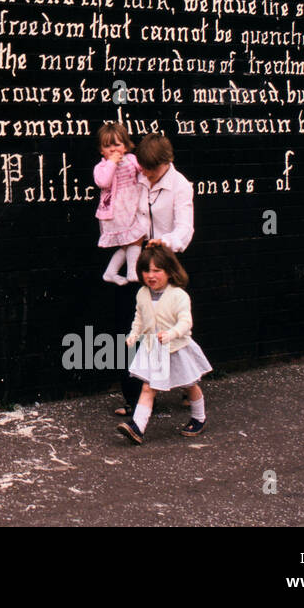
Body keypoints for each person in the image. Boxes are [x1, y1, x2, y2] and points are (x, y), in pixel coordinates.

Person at [111, 132, 194, 417]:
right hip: (140, 263)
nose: (144, 173)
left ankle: (189, 387)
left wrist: (166, 242)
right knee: (137, 326)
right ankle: (136, 398)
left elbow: (186, 228)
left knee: (171, 329)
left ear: (166, 162)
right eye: (142, 167)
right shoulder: (140, 178)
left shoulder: (180, 186)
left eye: (150, 169)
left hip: (167, 263)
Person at [115, 244, 212, 444]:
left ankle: (199, 417)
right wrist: (134, 334)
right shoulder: (142, 293)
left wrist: (171, 333)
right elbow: (139, 317)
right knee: (148, 387)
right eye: (146, 271)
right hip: (155, 350)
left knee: (189, 385)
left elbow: (186, 322)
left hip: (177, 348)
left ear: (169, 271)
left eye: (157, 270)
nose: (151, 275)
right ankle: (137, 427)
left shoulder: (178, 295)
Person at [93, 123, 148, 284]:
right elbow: (103, 182)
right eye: (107, 146)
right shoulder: (101, 167)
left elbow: (144, 171)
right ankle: (132, 271)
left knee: (129, 243)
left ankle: (110, 272)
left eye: (117, 144)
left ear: (126, 147)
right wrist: (112, 163)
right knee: (136, 237)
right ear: (101, 150)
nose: (113, 149)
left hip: (132, 207)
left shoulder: (131, 159)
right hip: (116, 212)